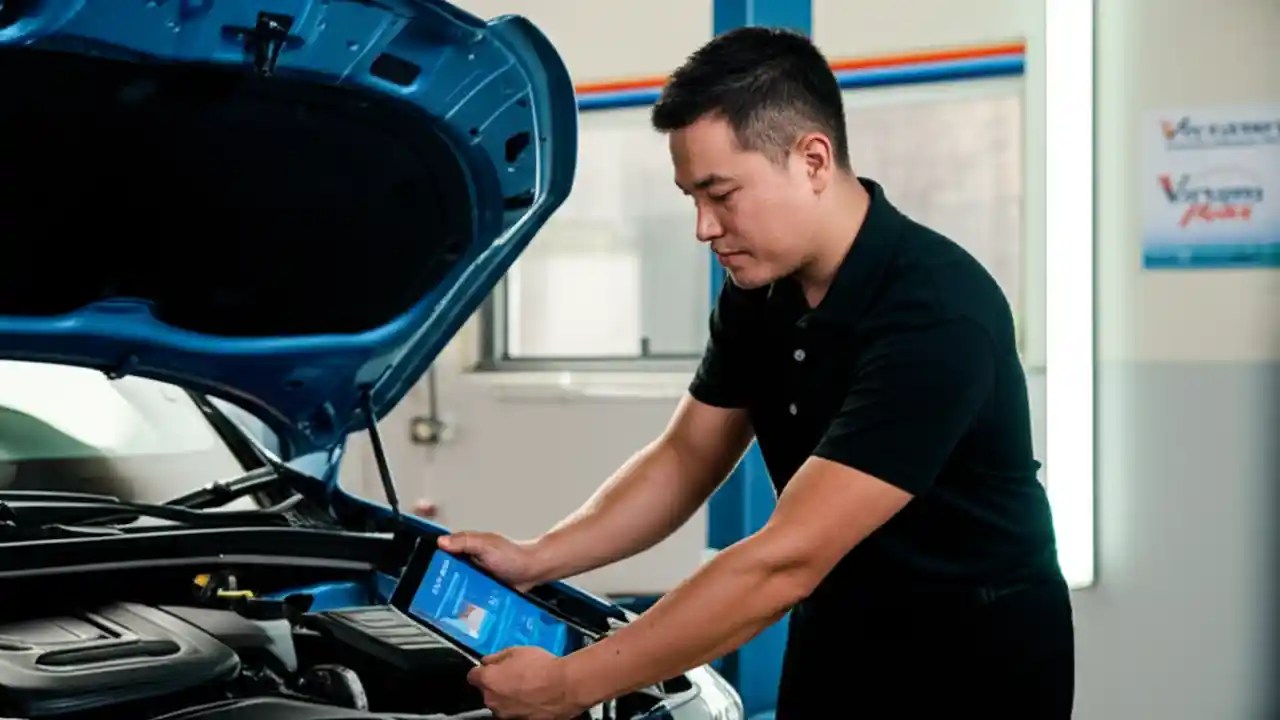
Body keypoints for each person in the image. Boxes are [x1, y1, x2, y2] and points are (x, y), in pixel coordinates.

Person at [418, 26, 1074, 719]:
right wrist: (538, 557)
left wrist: (574, 684)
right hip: (840, 626)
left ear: (813, 160)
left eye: (721, 193)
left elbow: (787, 557)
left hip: (969, 659)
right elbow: (686, 455)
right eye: (690, 198)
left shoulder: (937, 310)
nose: (704, 226)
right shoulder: (760, 291)